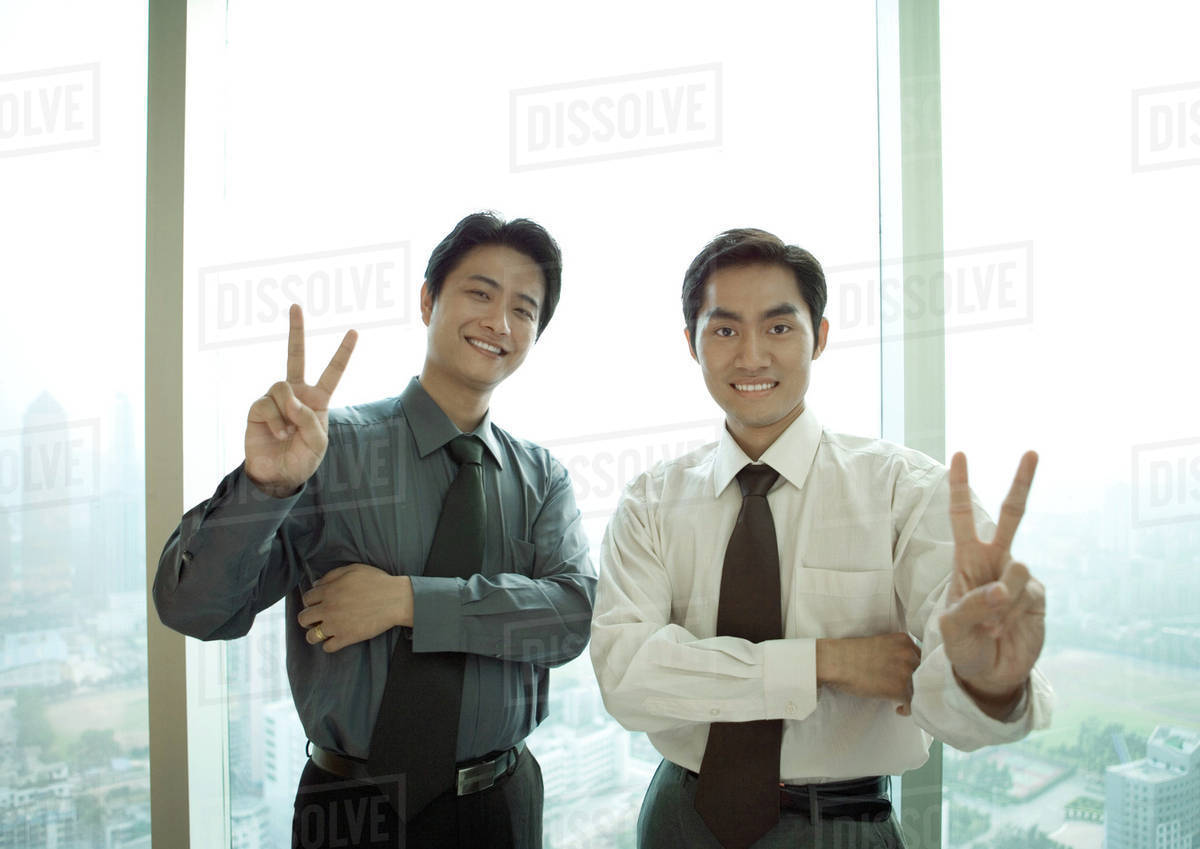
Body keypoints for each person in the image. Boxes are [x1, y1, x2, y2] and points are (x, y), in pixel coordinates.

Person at [589, 229, 1053, 849]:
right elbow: (628, 681)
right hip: (681, 815)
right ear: (692, 345)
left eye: (779, 328)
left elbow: (947, 697)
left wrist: (987, 680)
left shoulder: (906, 491)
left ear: (821, 336)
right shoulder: (650, 502)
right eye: (724, 330)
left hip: (840, 825)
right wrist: (826, 661)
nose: (752, 355)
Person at [154, 212, 596, 849]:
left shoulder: (540, 476)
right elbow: (195, 610)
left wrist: (407, 601)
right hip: (349, 810)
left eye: (524, 309)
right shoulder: (329, 450)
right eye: (479, 293)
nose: (500, 322)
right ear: (427, 301)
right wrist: (267, 487)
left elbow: (572, 616)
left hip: (501, 806)